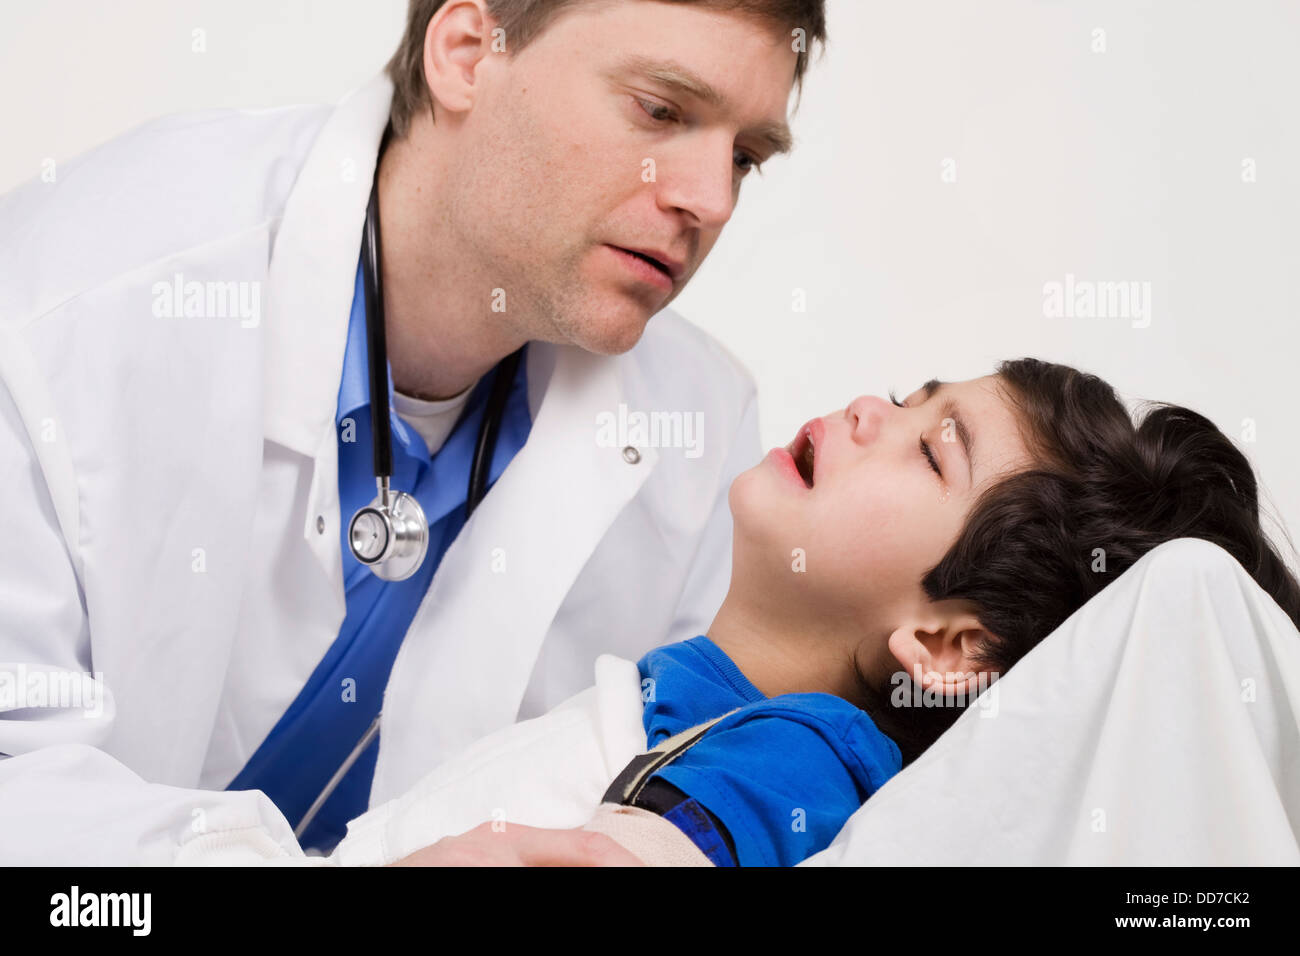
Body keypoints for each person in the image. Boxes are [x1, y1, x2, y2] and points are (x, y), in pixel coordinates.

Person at [0, 0, 828, 864]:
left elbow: (708, 781)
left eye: (745, 157)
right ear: (468, 54)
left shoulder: (702, 426)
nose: (711, 200)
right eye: (660, 111)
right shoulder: (72, 301)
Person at [491, 358, 1297, 866]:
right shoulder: (684, 699)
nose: (866, 412)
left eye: (929, 451)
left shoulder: (807, 754)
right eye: (901, 399)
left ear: (947, 646)